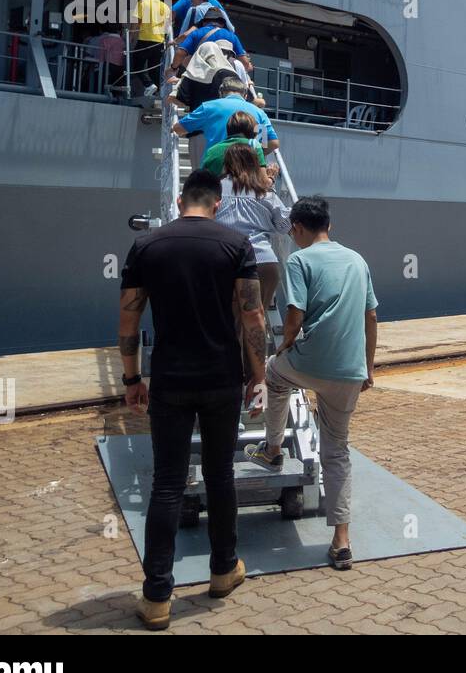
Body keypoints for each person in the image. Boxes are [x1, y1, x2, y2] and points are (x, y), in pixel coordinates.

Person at [118, 169, 267, 630]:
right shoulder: (236, 245)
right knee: (221, 474)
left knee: (167, 484)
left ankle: (157, 596)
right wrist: (258, 377)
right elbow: (254, 318)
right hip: (222, 377)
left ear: (181, 200)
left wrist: (131, 380)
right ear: (217, 203)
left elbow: (128, 321)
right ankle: (223, 571)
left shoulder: (147, 246)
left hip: (170, 379)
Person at [246, 196, 377, 572]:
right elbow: (370, 317)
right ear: (329, 226)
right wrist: (367, 368)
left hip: (308, 363)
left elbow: (294, 315)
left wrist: (286, 345)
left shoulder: (300, 260)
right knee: (336, 452)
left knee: (273, 372)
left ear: (298, 228)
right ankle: (341, 542)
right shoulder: (357, 260)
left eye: (293, 231)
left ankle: (271, 448)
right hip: (350, 371)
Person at [217, 143, 289, 310]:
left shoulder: (214, 189)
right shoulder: (264, 192)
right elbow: (284, 226)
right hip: (263, 261)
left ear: (227, 163)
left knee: (227, 320)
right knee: (256, 321)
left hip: (224, 259)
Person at [174, 76, 279, 166]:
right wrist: (256, 155)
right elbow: (271, 143)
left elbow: (179, 128)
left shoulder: (209, 107)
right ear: (245, 95)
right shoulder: (259, 113)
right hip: (246, 174)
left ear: (220, 92)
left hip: (215, 170)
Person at [202, 110, 269, 176]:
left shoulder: (211, 151)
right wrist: (271, 177)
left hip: (216, 186)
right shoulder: (254, 146)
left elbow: (203, 180)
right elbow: (263, 181)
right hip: (244, 186)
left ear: (229, 128)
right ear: (251, 130)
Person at [129, 0, 171, 97]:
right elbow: (167, 26)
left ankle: (149, 85)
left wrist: (130, 37)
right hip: (159, 41)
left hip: (145, 39)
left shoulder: (143, 3)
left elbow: (136, 22)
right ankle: (158, 91)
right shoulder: (165, 7)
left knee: (137, 66)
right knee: (154, 69)